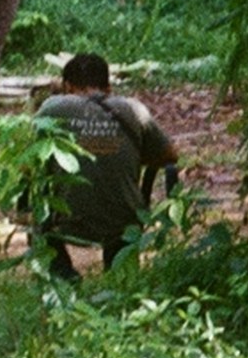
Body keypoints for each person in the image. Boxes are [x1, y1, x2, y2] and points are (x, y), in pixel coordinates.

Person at [29, 53, 180, 280]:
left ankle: (64, 279)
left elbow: (31, 161)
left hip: (68, 221)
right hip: (124, 221)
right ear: (108, 88)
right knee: (120, 243)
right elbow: (170, 155)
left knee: (37, 228)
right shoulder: (133, 109)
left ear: (67, 86)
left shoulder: (53, 108)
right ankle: (121, 281)